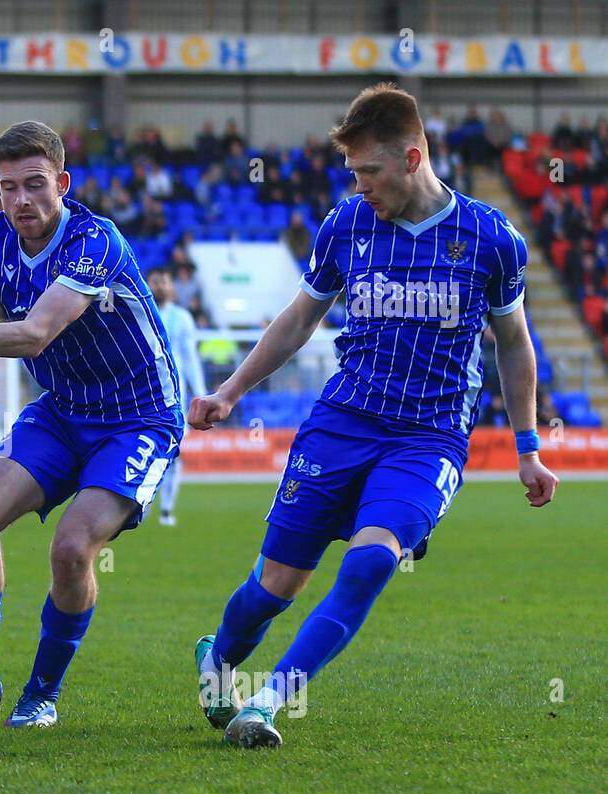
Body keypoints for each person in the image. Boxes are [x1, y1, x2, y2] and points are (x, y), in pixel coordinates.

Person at [188, 83, 559, 748]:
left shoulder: (491, 239)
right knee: (276, 585)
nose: (358, 186)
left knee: (369, 564)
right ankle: (219, 658)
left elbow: (514, 341)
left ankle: (269, 701)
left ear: (413, 158)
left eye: (368, 172)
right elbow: (301, 318)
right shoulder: (345, 226)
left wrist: (528, 446)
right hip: (344, 422)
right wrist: (231, 390)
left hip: (429, 437)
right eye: (352, 172)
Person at [0, 121, 183, 729]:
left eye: (35, 185)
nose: (21, 201)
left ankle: (43, 694)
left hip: (137, 420)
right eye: (8, 188)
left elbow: (36, 332)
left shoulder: (95, 241)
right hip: (63, 411)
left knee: (72, 546)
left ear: (62, 182)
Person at [147, 267, 205, 526]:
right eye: (155, 281)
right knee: (145, 453)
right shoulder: (139, 312)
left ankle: (167, 509)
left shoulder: (182, 318)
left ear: (171, 287)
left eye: (164, 281)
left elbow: (190, 358)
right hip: (142, 395)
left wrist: (202, 393)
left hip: (173, 396)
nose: (159, 286)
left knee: (173, 454)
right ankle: (142, 505)